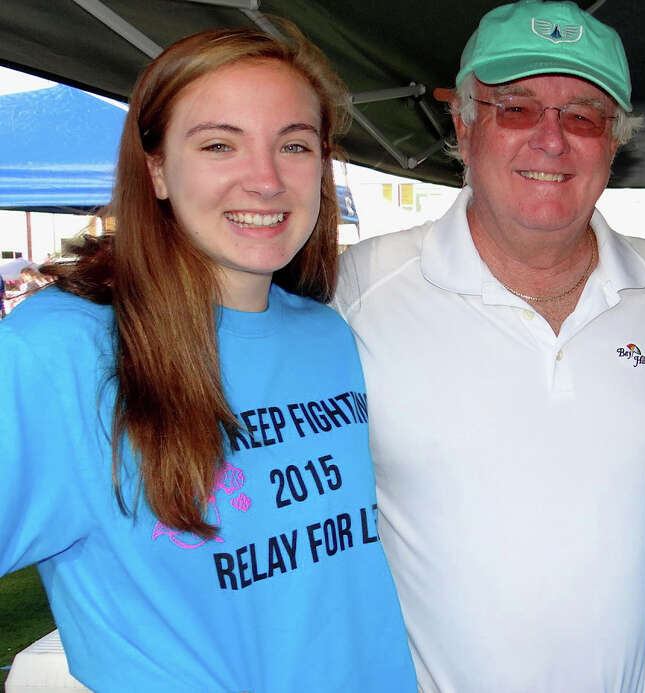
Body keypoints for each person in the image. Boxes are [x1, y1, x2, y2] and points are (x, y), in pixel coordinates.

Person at [0, 25, 417, 692]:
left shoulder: (327, 335)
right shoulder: (63, 349)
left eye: (294, 145)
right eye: (220, 144)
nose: (265, 179)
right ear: (157, 168)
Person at [333, 1, 645, 690]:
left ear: (614, 142)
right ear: (463, 125)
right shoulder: (357, 295)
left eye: (583, 115)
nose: (552, 140)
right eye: (517, 108)